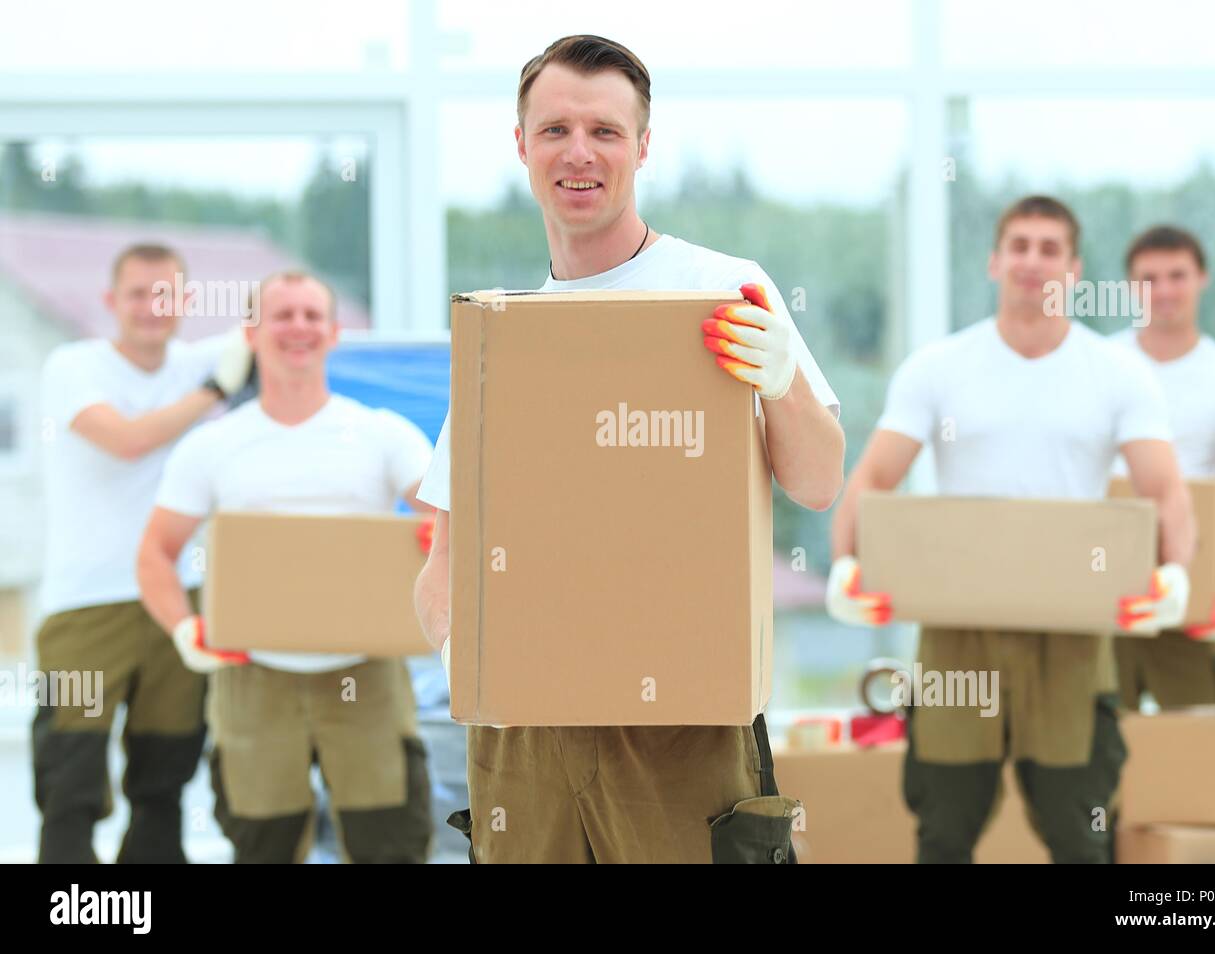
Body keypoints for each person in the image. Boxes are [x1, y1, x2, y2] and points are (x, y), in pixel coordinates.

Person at [413, 35, 845, 863]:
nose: (580, 153)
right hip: (524, 740)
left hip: (680, 730)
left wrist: (782, 377)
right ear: (521, 146)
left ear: (643, 146)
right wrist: (468, 660)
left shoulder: (718, 291)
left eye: (606, 131)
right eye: (555, 130)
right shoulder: (504, 337)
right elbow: (444, 565)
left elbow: (819, 482)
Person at [827, 197, 1195, 864]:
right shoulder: (939, 367)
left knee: (1080, 837)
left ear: (1074, 269)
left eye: (1049, 248)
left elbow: (1165, 489)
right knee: (943, 832)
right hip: (957, 631)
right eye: (1019, 245)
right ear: (994, 261)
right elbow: (872, 478)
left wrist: (1174, 575)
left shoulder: (1118, 374)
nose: (1033, 260)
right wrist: (844, 567)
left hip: (1073, 636)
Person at [137, 271, 435, 863]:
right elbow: (154, 555)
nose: (297, 327)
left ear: (333, 332)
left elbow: (456, 522)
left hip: (366, 677)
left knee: (392, 843)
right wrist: (183, 629)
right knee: (262, 846)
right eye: (282, 315)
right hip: (253, 678)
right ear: (250, 333)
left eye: (310, 316)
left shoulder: (380, 434)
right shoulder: (212, 445)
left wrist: (442, 535)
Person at [33, 242, 251, 863]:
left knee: (165, 773)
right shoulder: (73, 365)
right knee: (68, 775)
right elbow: (125, 441)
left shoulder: (203, 360)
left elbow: (288, 316)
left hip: (178, 598)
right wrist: (215, 390)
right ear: (110, 301)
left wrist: (257, 329)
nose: (151, 308)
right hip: (84, 604)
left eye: (165, 294)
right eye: (136, 294)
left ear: (185, 301)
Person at [1111, 225, 1215, 709]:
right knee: (1095, 737)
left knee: (1209, 736)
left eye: (1177, 275)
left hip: (1194, 594)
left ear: (1202, 278)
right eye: (1149, 278)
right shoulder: (1101, 366)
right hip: (1105, 589)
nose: (1164, 291)